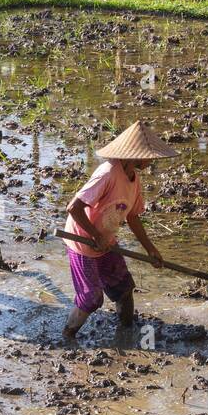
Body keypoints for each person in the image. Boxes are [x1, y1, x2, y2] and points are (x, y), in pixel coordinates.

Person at [62, 120, 177, 340]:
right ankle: (67, 336)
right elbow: (74, 208)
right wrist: (95, 236)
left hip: (106, 239)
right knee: (91, 298)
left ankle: (127, 334)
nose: (151, 161)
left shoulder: (134, 178)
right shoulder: (108, 173)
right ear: (134, 155)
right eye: (148, 156)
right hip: (83, 241)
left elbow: (133, 216)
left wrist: (150, 249)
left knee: (124, 288)